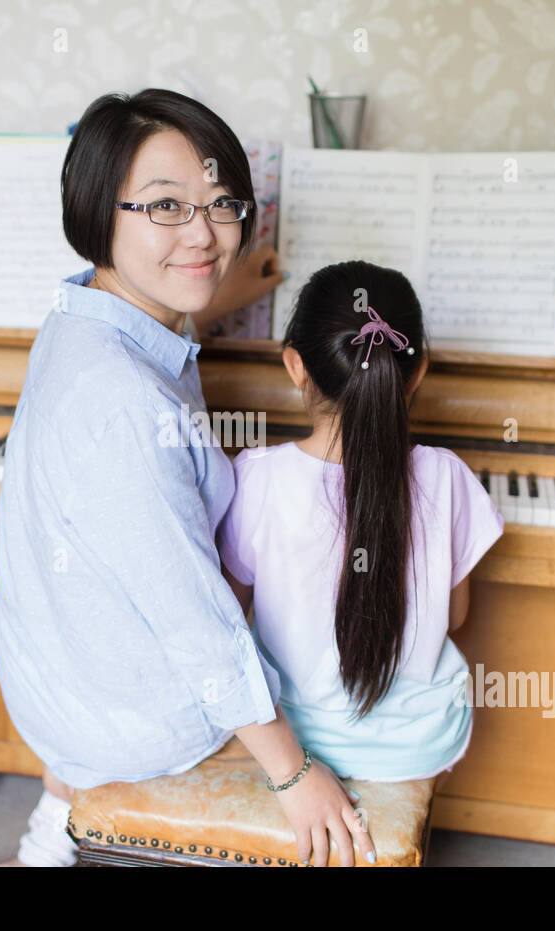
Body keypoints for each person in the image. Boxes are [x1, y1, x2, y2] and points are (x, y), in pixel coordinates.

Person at [0, 89, 376, 867]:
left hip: (53, 667)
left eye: (222, 205)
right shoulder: (125, 403)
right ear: (102, 214)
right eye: (167, 207)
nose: (204, 235)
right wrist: (294, 773)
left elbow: (183, 276)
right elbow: (195, 625)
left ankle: (48, 832)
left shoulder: (86, 314)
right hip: (126, 714)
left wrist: (220, 282)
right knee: (358, 648)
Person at [215, 260, 504, 788]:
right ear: (415, 372)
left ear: (295, 367)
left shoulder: (257, 477)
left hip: (294, 741)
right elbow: (456, 617)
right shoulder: (448, 477)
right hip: (416, 744)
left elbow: (229, 620)